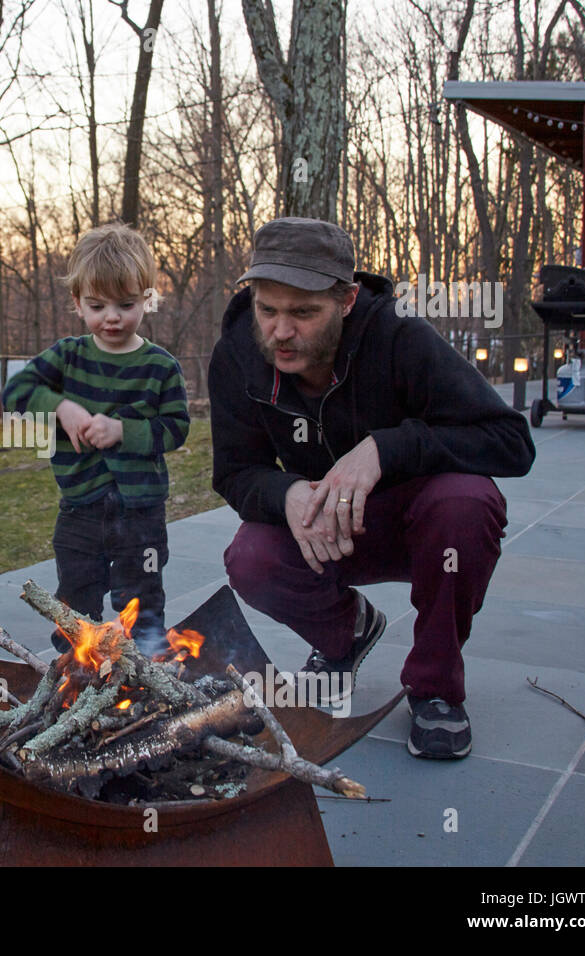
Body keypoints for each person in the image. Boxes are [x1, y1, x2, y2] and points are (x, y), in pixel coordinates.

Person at [208, 217, 535, 758]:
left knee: (466, 503)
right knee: (250, 555)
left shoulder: (401, 336)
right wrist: (286, 493)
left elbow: (510, 442)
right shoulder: (238, 355)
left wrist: (386, 449)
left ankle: (434, 689)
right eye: (268, 310)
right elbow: (235, 472)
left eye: (303, 313)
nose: (281, 331)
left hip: (421, 525)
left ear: (348, 300)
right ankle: (344, 636)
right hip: (326, 528)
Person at [3, 222, 190, 653]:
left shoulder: (160, 367)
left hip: (140, 511)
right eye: (97, 304)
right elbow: (16, 392)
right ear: (77, 303)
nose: (111, 316)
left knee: (141, 596)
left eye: (126, 304)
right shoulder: (67, 357)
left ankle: (145, 660)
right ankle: (75, 669)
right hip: (79, 507)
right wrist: (61, 408)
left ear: (147, 299)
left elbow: (176, 429)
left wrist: (124, 431)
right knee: (75, 594)